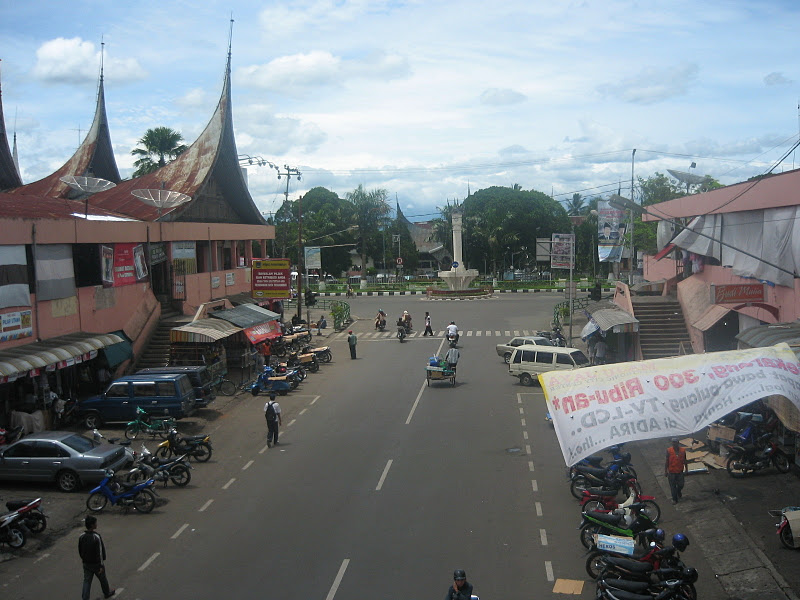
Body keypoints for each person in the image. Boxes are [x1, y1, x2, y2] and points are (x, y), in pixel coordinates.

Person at [78, 515, 115, 600]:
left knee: (87, 581)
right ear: (92, 525)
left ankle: (85, 598)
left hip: (86, 563)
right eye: (95, 523)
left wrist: (83, 559)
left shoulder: (82, 536)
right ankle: (107, 592)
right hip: (96, 564)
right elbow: (100, 552)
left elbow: (80, 550)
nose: (96, 524)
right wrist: (101, 565)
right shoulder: (96, 537)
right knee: (103, 579)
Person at [665, 437, 688, 504]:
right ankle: (674, 499)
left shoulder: (683, 451)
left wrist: (686, 469)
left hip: (679, 471)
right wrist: (666, 471)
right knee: (673, 487)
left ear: (678, 443)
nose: (674, 444)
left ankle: (678, 491)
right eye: (673, 442)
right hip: (671, 472)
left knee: (681, 484)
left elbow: (685, 460)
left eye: (675, 442)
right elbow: (667, 461)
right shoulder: (669, 450)